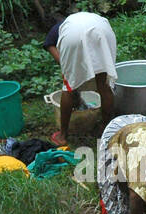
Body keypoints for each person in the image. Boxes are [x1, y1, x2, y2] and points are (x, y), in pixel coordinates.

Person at [44, 12, 117, 146]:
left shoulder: (56, 30)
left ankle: (62, 136)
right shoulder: (77, 18)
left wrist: (69, 72)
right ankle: (107, 130)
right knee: (104, 84)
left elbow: (54, 52)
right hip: (104, 31)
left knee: (69, 87)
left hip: (74, 37)